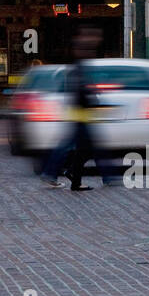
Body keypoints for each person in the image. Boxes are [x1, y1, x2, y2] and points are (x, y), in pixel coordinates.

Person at [40, 27, 102, 191]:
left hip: (78, 109)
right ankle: (63, 175)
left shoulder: (79, 58)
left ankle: (60, 174)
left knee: (74, 145)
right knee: (82, 146)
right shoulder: (82, 57)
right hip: (80, 110)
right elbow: (81, 84)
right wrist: (90, 96)